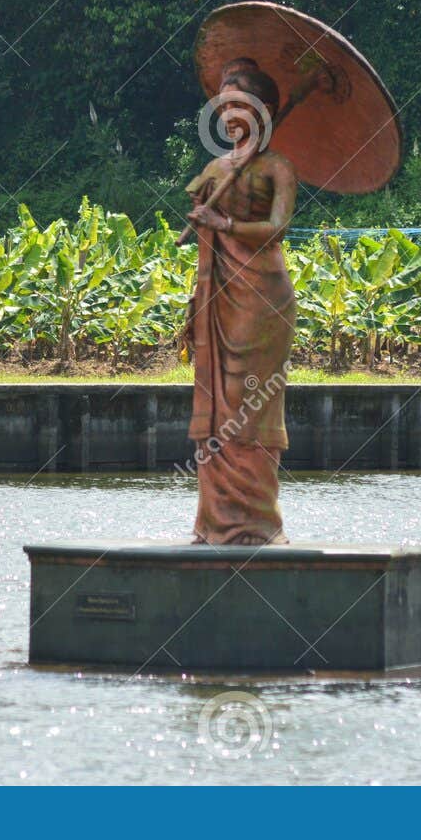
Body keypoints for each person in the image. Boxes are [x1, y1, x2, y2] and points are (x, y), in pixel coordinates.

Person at [183, 57, 298, 545]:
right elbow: (200, 237)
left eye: (241, 104)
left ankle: (256, 524)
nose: (230, 113)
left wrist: (225, 224)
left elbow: (277, 229)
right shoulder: (215, 169)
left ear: (265, 110)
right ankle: (214, 522)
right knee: (216, 402)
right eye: (224, 104)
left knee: (249, 399)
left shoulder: (278, 167)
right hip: (219, 296)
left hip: (262, 299)